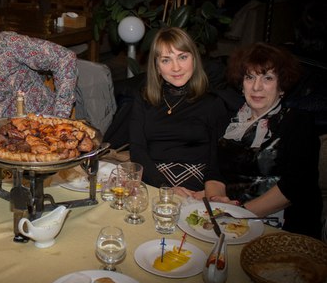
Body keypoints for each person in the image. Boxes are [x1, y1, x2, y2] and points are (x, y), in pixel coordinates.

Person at [207, 42, 322, 239]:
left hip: (282, 228)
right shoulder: (227, 121)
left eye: (267, 78)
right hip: (230, 218)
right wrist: (217, 203)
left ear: (282, 86)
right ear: (242, 84)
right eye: (250, 77)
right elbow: (213, 172)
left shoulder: (298, 122)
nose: (256, 87)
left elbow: (294, 187)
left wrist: (239, 214)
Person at [128, 27, 229, 197]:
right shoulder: (144, 98)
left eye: (182, 57)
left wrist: (211, 193)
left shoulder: (212, 103)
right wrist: (164, 187)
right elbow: (137, 150)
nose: (176, 68)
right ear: (157, 66)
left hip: (195, 185)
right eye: (166, 60)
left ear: (194, 59)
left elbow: (216, 160)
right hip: (152, 180)